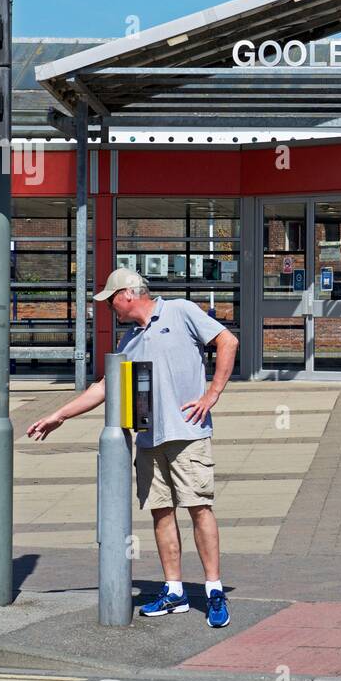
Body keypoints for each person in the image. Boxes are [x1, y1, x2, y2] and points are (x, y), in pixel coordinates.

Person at [26, 268, 239, 627]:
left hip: (187, 434)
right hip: (148, 439)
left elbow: (227, 342)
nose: (109, 309)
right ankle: (174, 592)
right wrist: (59, 416)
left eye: (110, 301)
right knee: (160, 511)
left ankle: (214, 589)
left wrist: (211, 394)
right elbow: (104, 388)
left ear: (126, 294)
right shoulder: (129, 341)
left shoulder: (180, 311)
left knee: (199, 508)